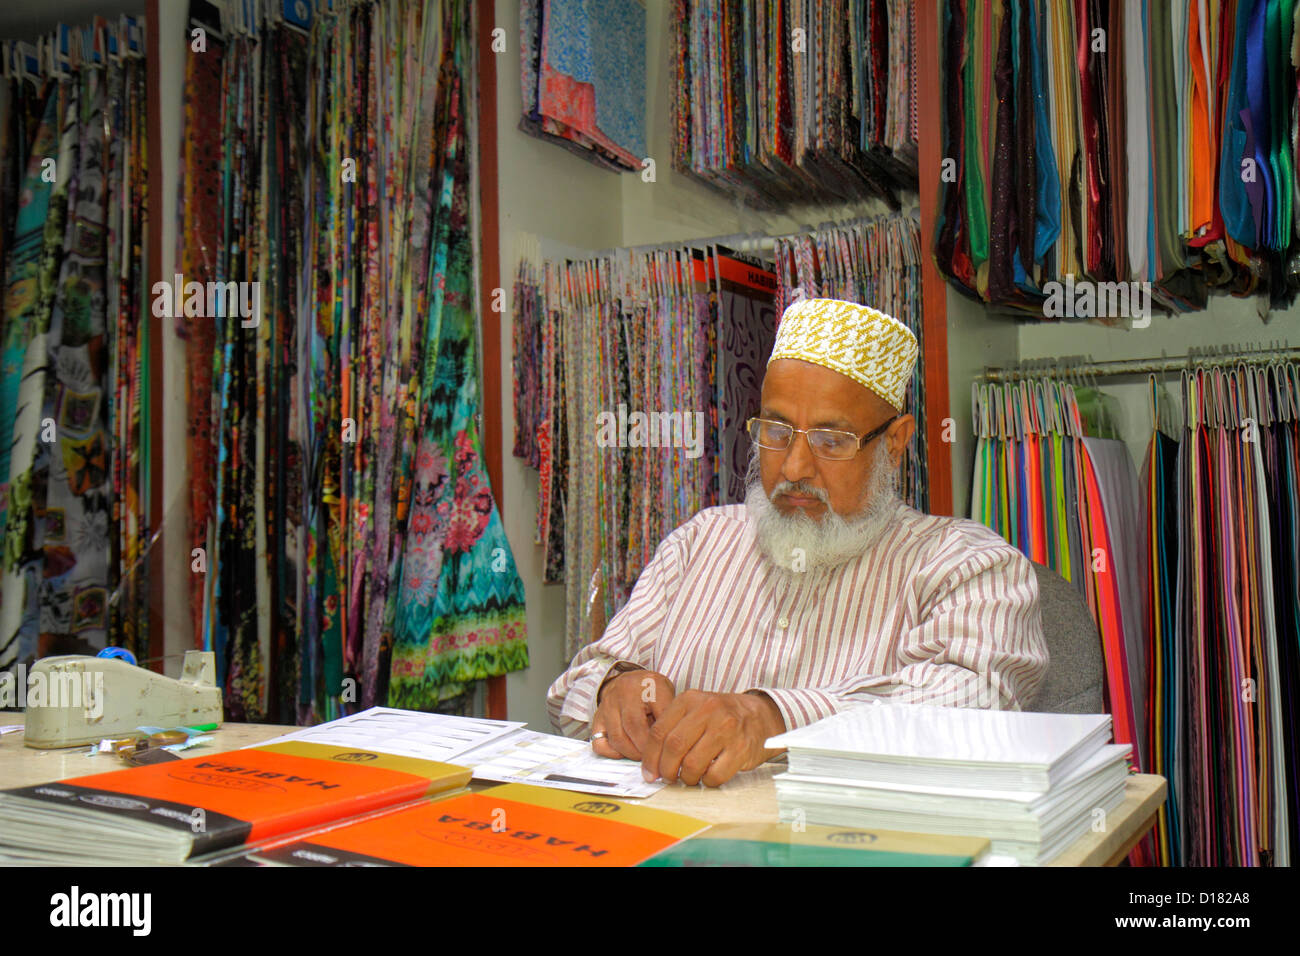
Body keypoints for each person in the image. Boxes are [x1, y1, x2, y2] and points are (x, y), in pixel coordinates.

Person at [546, 297, 1048, 787]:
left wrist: (771, 720)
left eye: (832, 441)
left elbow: (972, 706)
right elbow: (576, 684)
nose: (793, 468)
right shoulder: (700, 542)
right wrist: (617, 689)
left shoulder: (968, 565)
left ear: (895, 443)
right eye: (776, 432)